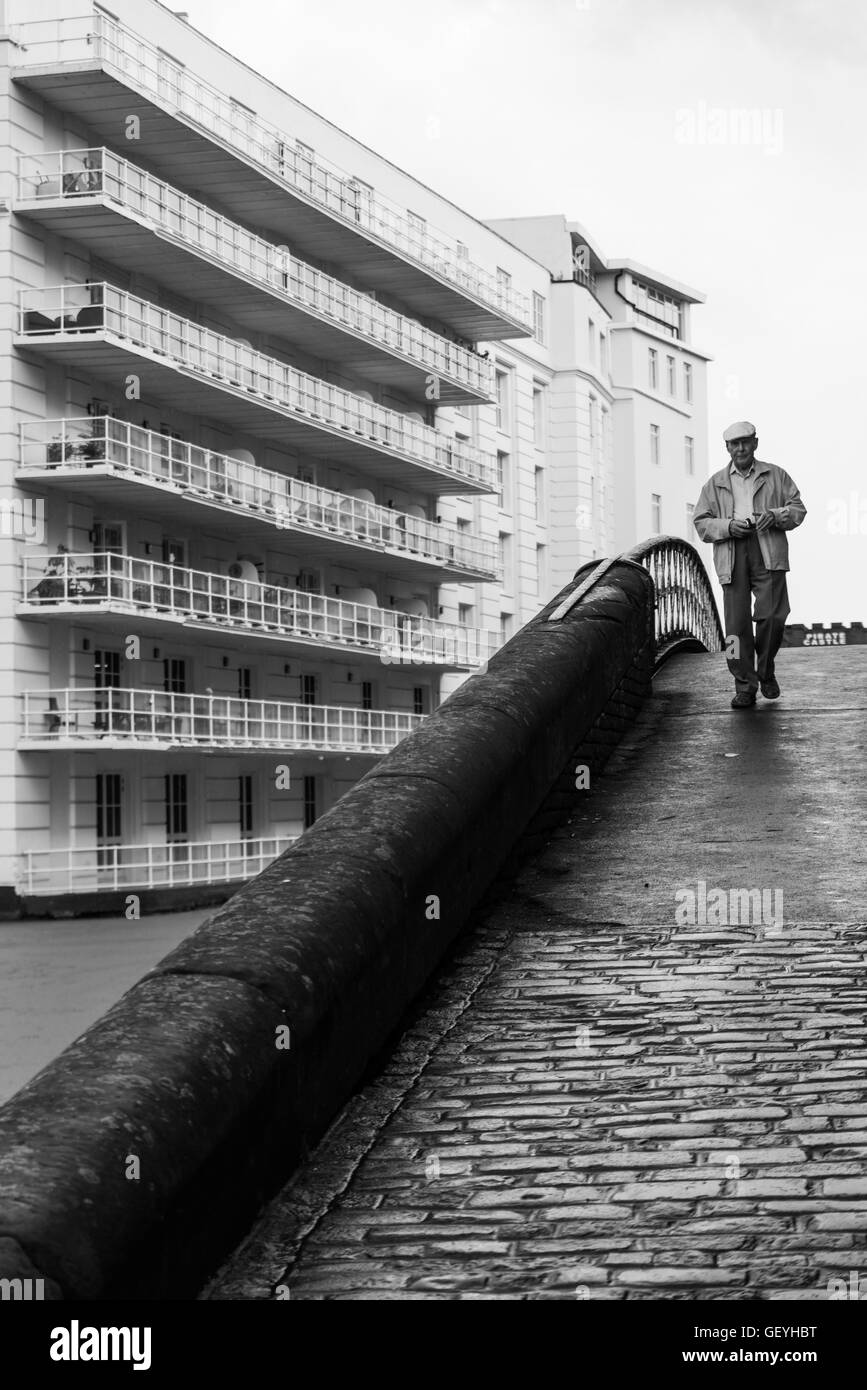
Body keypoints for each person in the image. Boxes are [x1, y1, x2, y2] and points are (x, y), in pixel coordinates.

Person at [693, 421, 806, 708]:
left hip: (767, 547)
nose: (740, 448)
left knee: (774, 615)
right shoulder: (714, 483)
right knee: (735, 627)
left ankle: (766, 670)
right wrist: (728, 526)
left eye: (745, 442)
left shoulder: (776, 475)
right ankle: (744, 685)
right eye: (735, 444)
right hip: (731, 553)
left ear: (755, 443)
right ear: (727, 448)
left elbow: (797, 510)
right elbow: (701, 523)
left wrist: (776, 515)